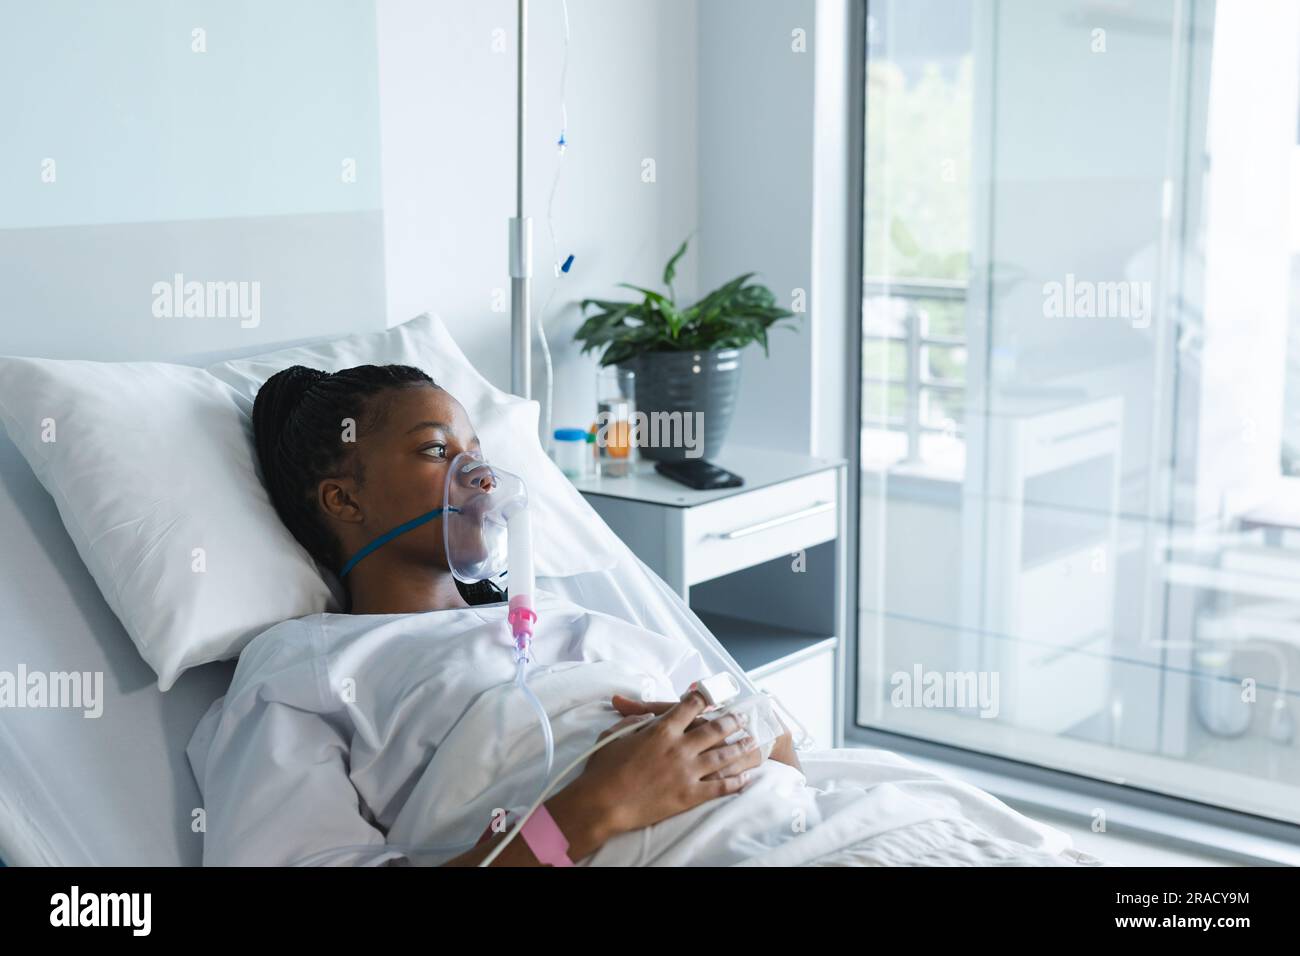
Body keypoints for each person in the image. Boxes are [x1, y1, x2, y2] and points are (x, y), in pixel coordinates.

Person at [249, 363, 799, 866]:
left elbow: (774, 743)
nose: (483, 476)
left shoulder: (561, 617)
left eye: (478, 454)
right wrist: (595, 808)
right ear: (343, 501)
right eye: (436, 451)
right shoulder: (306, 667)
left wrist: (733, 736)